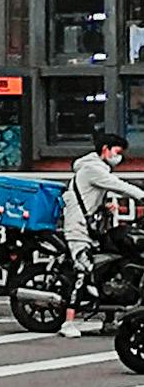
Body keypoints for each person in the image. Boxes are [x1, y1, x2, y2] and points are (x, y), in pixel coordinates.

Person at [66, 127, 144, 328]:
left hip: (92, 228)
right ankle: (68, 322)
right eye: (117, 152)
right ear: (105, 149)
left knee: (109, 266)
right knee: (83, 269)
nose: (119, 157)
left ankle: (109, 319)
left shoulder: (97, 168)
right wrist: (142, 195)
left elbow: (90, 196)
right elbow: (119, 185)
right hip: (78, 227)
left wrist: (104, 206)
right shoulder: (93, 169)